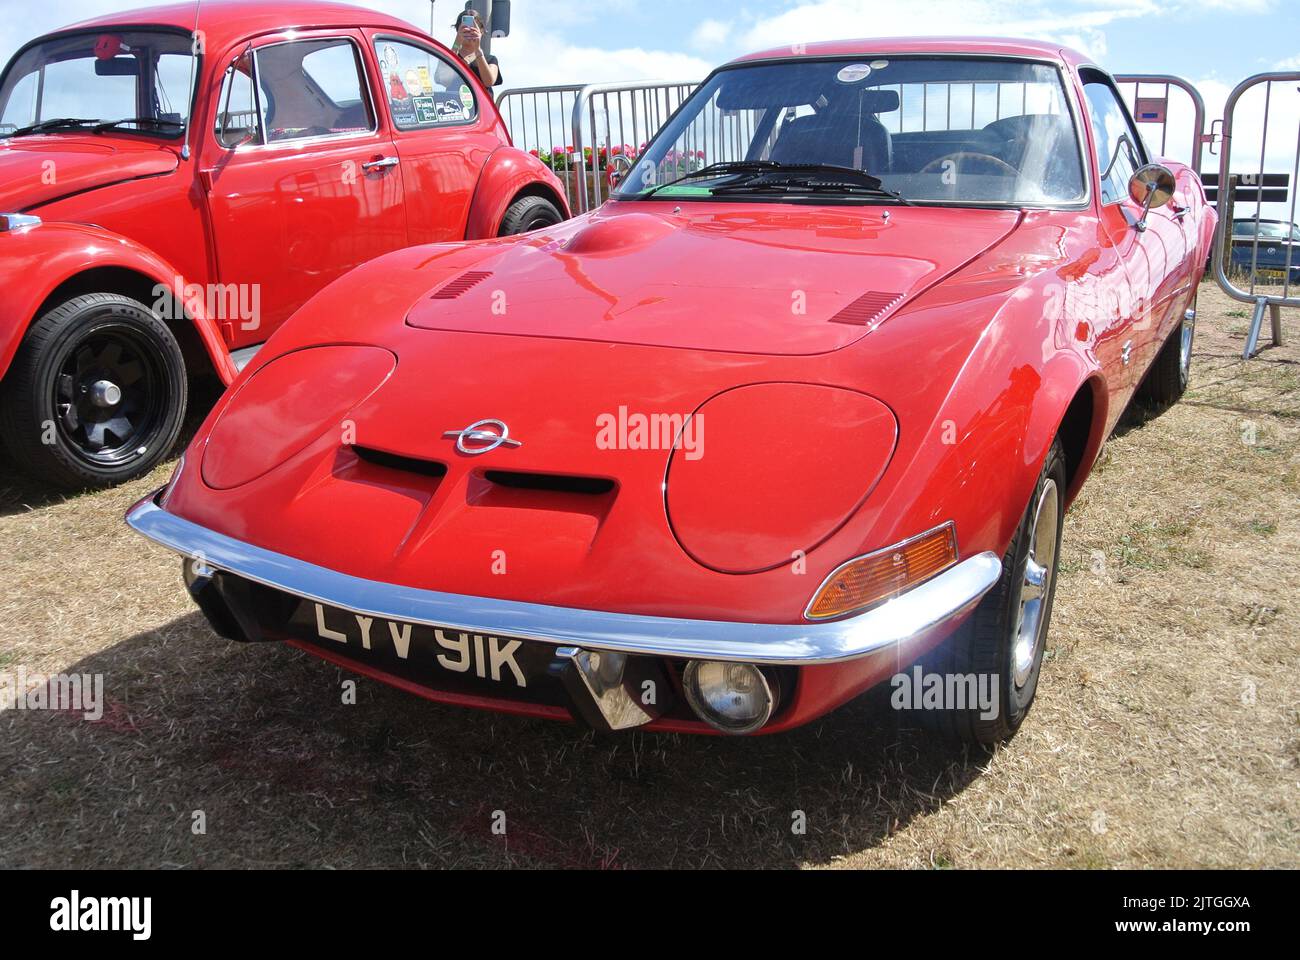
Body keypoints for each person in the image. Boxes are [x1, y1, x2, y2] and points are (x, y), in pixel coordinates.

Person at [451, 8, 502, 88]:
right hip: (454, 100)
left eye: (474, 29)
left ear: (481, 31)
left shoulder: (490, 59)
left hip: (480, 100)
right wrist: (457, 42)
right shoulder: (448, 55)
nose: (469, 31)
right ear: (458, 30)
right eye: (465, 29)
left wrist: (477, 49)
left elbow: (489, 82)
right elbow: (441, 78)